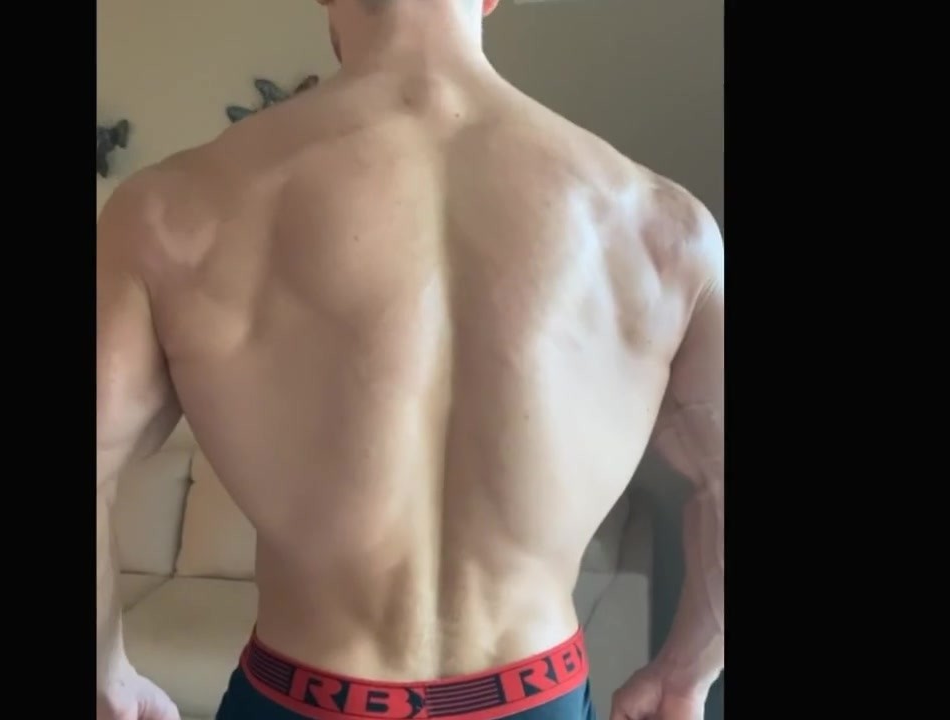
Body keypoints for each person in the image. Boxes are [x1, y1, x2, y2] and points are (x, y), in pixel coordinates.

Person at [96, 0, 723, 718]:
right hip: (532, 695)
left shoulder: (169, 212)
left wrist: (105, 672)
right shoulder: (663, 227)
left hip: (299, 697)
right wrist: (686, 673)